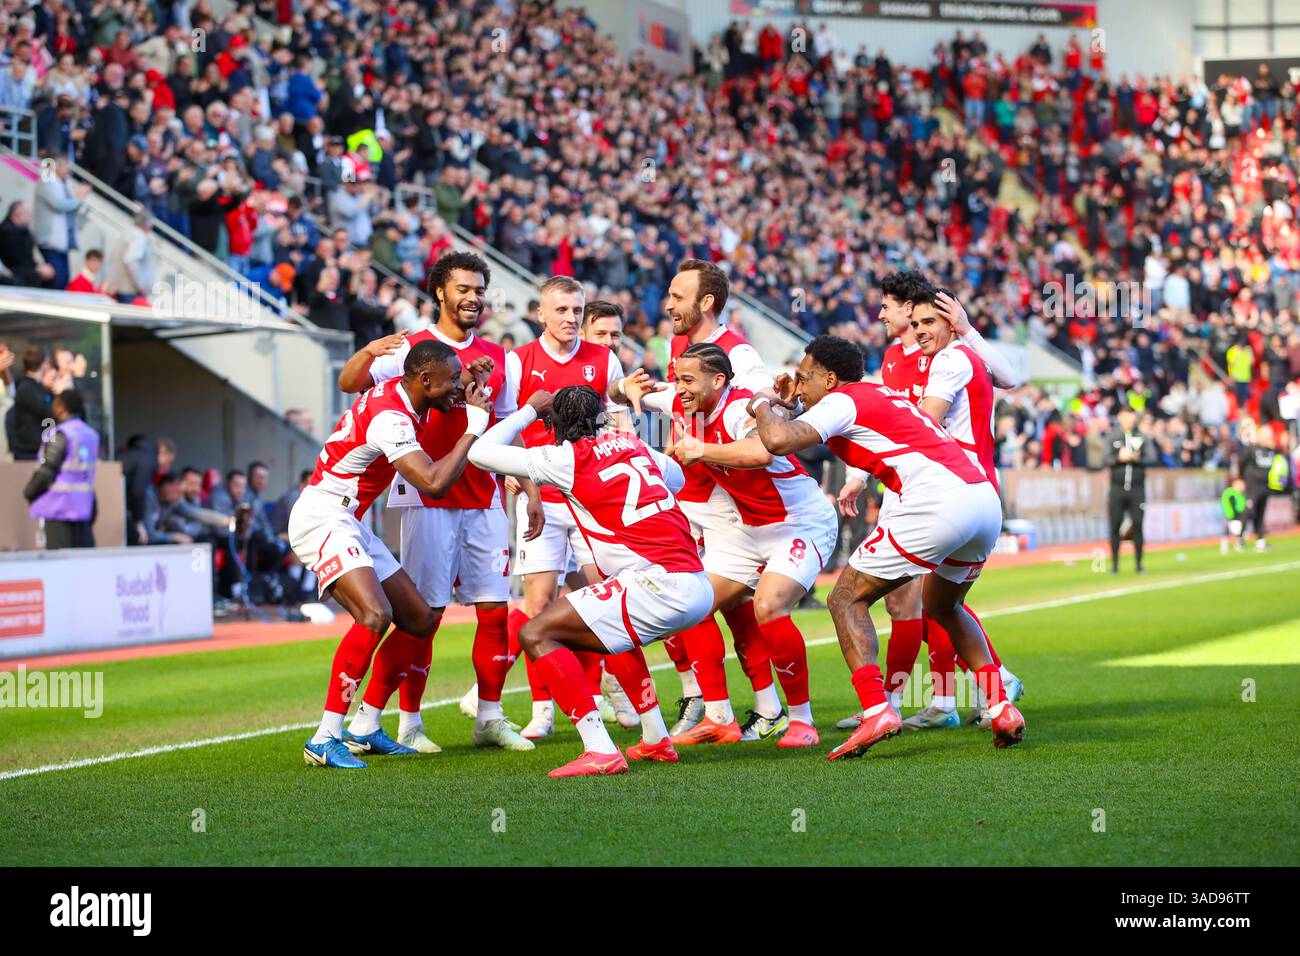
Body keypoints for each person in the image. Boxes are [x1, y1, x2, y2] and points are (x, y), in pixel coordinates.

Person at [749, 334, 1025, 757]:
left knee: (845, 598)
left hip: (937, 501)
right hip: (982, 497)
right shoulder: (875, 390)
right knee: (944, 606)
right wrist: (794, 403)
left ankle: (877, 708)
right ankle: (1000, 705)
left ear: (830, 377)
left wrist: (762, 402)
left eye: (805, 377)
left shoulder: (843, 400)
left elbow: (777, 442)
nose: (798, 384)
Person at [335, 251, 535, 753]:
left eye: (479, 289)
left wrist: (524, 479)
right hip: (424, 499)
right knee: (425, 615)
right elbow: (350, 383)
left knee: (494, 610)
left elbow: (506, 429)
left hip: (483, 496)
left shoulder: (500, 356)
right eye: (462, 289)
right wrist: (367, 351)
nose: (472, 298)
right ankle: (404, 722)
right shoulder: (410, 347)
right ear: (440, 292)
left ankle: (489, 717)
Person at [467, 385, 713, 777]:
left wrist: (530, 410)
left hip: (657, 585)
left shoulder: (566, 457)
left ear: (556, 425)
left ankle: (599, 748)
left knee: (536, 633)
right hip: (696, 583)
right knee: (606, 633)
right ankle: (655, 738)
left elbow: (478, 453)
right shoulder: (632, 444)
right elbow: (678, 478)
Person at [623, 342, 837, 748]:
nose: (679, 388)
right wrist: (625, 388)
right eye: (677, 379)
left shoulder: (742, 409)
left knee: (769, 606)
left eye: (688, 380)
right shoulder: (683, 399)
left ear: (718, 380)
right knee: (691, 604)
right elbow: (633, 392)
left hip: (800, 523)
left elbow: (760, 451)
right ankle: (719, 717)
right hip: (748, 529)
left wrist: (701, 449)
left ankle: (802, 721)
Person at [292, 339, 490, 769]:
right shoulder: (391, 418)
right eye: (451, 380)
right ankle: (325, 737)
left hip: (351, 520)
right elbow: (433, 483)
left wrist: (464, 378)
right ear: (423, 380)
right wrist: (473, 427)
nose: (457, 388)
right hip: (322, 515)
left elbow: (353, 381)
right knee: (374, 616)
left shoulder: (403, 390)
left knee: (420, 621)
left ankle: (364, 727)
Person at [617, 258, 781, 742]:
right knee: (712, 605)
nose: (667, 303)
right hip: (695, 491)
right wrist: (646, 393)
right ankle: (742, 707)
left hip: (724, 498)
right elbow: (687, 402)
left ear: (705, 303)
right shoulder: (678, 345)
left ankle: (724, 709)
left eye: (677, 296)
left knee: (700, 602)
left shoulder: (741, 353)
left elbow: (761, 412)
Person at [495, 274, 625, 740]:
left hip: (591, 500)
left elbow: (615, 424)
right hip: (542, 501)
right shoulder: (517, 362)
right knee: (538, 604)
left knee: (607, 593)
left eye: (577, 310)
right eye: (562, 310)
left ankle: (618, 690)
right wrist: (519, 480)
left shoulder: (604, 360)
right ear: (541, 314)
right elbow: (507, 428)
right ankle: (544, 707)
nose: (570, 319)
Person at [23, 388, 97, 549]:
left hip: (59, 509)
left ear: (61, 407)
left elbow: (47, 469)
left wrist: (29, 492)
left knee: (60, 566)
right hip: (83, 509)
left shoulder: (61, 434)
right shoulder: (90, 434)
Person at [1103, 406, 1157, 573]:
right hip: (1117, 489)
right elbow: (1104, 459)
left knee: (1138, 525)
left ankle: (1139, 564)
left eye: (1131, 416)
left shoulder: (1141, 437)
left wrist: (1136, 458)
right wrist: (1118, 458)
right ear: (1120, 417)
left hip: (1137, 489)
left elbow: (1152, 458)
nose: (1128, 420)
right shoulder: (1112, 437)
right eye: (1125, 416)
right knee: (1114, 526)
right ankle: (1114, 565)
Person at [10, 346, 54, 461]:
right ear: (43, 364)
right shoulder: (27, 388)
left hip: (38, 451)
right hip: (29, 454)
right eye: (47, 362)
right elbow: (48, 414)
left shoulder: (34, 388)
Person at [1220, 475, 1247, 554]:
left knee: (1239, 530)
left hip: (1239, 515)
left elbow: (1242, 504)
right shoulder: (1230, 493)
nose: (1242, 486)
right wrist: (1231, 515)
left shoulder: (1241, 493)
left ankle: (1239, 544)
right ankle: (1224, 546)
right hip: (1231, 515)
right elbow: (1228, 504)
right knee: (1228, 530)